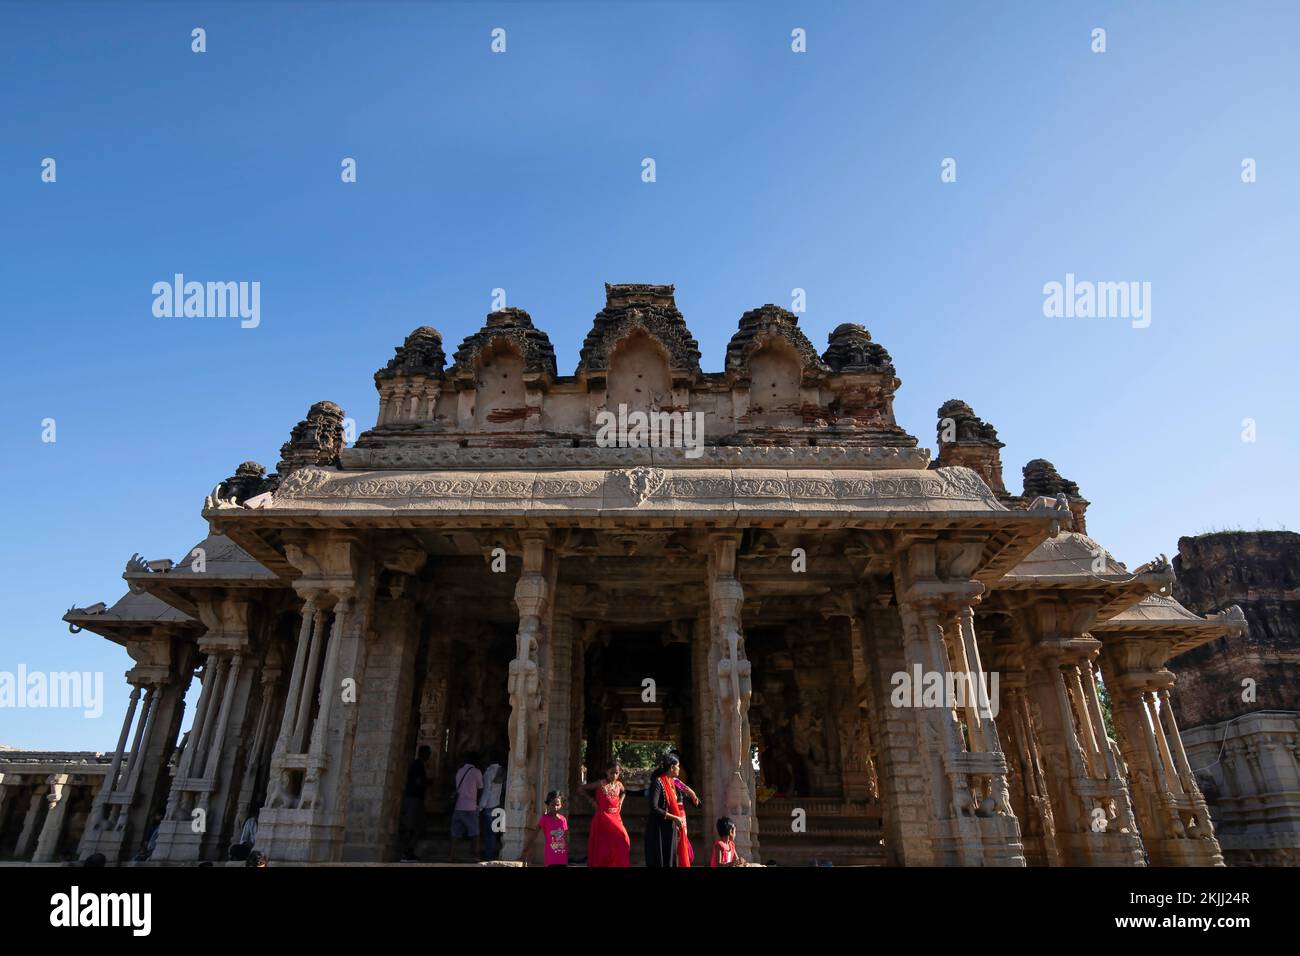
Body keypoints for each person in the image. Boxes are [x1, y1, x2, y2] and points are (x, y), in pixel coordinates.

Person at [579, 761, 630, 867]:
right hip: (603, 818)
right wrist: (592, 802)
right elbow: (581, 788)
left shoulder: (619, 784)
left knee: (624, 839)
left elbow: (624, 792)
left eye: (616, 773)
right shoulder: (600, 783)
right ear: (606, 772)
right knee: (604, 847)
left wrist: (621, 801)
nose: (614, 775)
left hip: (616, 817)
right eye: (611, 773)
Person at [645, 752, 688, 867]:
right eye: (678, 766)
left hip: (670, 828)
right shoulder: (658, 783)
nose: (679, 769)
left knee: (670, 859)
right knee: (660, 860)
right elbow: (654, 808)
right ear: (672, 767)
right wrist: (675, 817)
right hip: (658, 829)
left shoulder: (671, 783)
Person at [449, 752, 483, 863]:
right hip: (470, 807)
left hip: (458, 806)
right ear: (476, 761)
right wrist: (478, 803)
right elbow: (480, 789)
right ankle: (476, 856)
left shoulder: (459, 771)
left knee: (455, 834)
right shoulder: (477, 772)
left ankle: (451, 856)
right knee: (475, 833)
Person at [401, 745, 431, 861]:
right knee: (411, 826)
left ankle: (409, 851)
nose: (429, 756)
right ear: (424, 753)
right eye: (428, 753)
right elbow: (418, 782)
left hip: (415, 798)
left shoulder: (418, 765)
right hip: (413, 799)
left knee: (416, 825)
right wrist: (427, 783)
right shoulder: (418, 765)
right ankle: (406, 852)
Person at [521, 791, 568, 867]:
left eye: (557, 805)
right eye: (553, 805)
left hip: (562, 858)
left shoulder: (563, 819)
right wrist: (526, 850)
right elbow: (534, 835)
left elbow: (565, 838)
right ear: (548, 804)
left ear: (561, 805)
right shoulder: (544, 819)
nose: (555, 807)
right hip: (551, 858)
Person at [478, 753, 504, 860]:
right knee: (494, 831)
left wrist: (481, 805)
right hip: (497, 804)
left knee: (488, 832)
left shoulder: (489, 772)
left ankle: (489, 854)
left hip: (489, 805)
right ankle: (491, 852)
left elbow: (487, 791)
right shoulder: (501, 771)